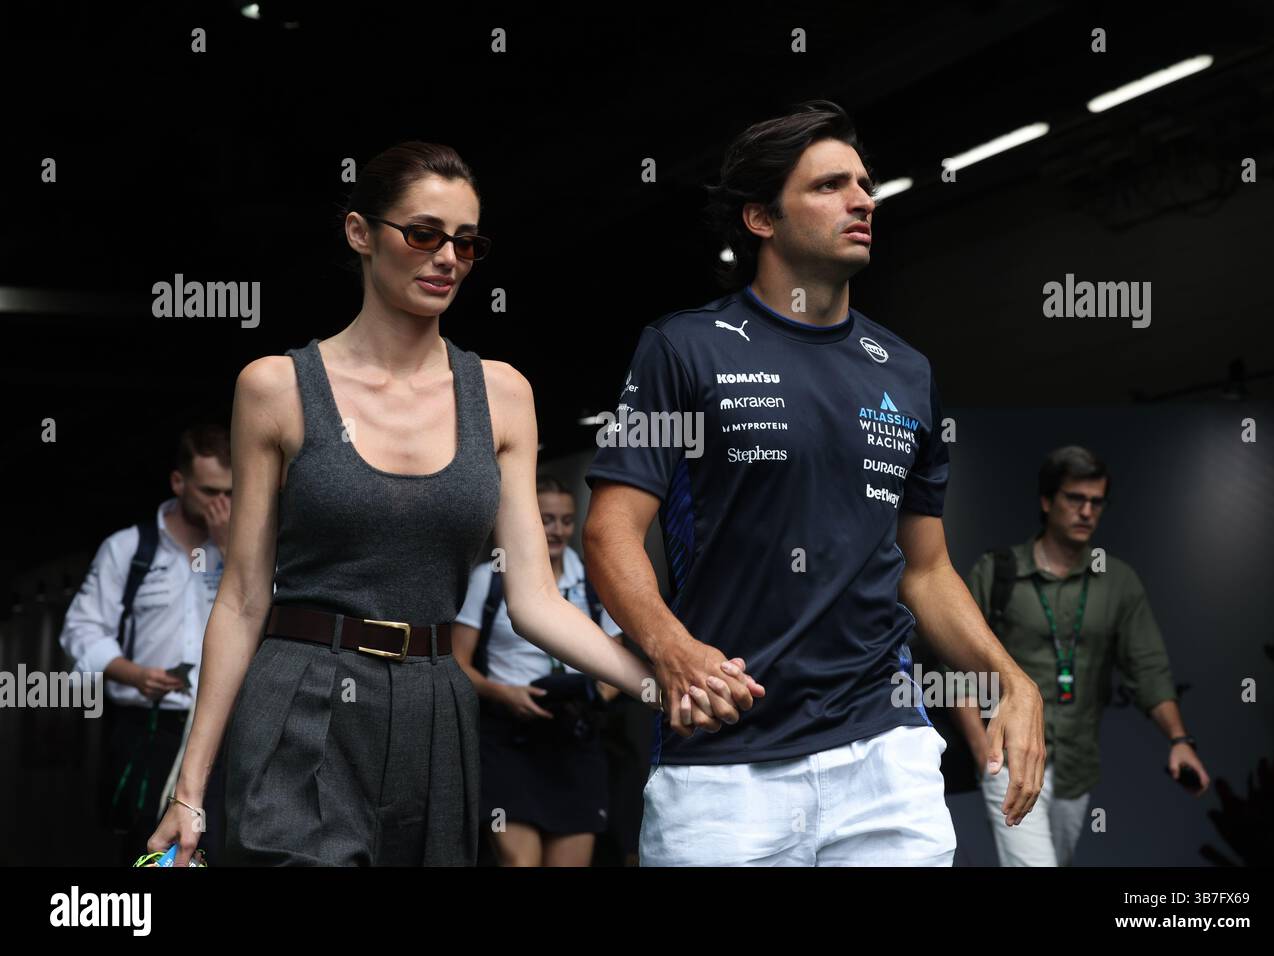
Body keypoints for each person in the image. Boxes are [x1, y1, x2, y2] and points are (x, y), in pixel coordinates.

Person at [147, 141, 760, 867]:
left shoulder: (503, 395)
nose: (447, 258)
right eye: (424, 233)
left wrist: (659, 682)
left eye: (466, 243)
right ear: (360, 233)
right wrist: (189, 787)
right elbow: (243, 598)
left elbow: (535, 600)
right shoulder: (274, 387)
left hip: (437, 710)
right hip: (302, 692)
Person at [583, 100, 1046, 866]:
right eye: (831, 185)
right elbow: (609, 532)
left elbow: (925, 570)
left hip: (884, 756)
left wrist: (1011, 680)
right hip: (723, 770)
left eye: (864, 184)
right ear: (761, 219)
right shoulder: (684, 349)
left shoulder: (906, 370)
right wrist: (669, 648)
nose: (863, 199)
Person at [955, 445, 1210, 866]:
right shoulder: (999, 571)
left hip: (1077, 765)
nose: (1087, 511)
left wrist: (1179, 740)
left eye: (1096, 502)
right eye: (1075, 499)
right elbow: (958, 663)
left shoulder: (1117, 581)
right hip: (1011, 755)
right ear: (1047, 501)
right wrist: (983, 751)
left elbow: (1148, 667)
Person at [59, 425, 231, 864]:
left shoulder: (246, 549)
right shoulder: (128, 548)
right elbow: (80, 629)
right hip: (150, 729)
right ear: (179, 483)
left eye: (232, 492)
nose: (222, 504)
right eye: (211, 490)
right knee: (148, 846)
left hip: (226, 734)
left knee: (223, 848)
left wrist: (233, 549)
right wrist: (133, 674)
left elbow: (274, 618)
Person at [453, 474, 623, 866]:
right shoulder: (489, 579)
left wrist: (590, 696)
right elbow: (458, 662)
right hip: (510, 739)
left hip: (575, 739)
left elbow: (615, 667)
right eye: (546, 519)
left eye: (565, 520)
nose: (557, 530)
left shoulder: (597, 583)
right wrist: (504, 695)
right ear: (529, 518)